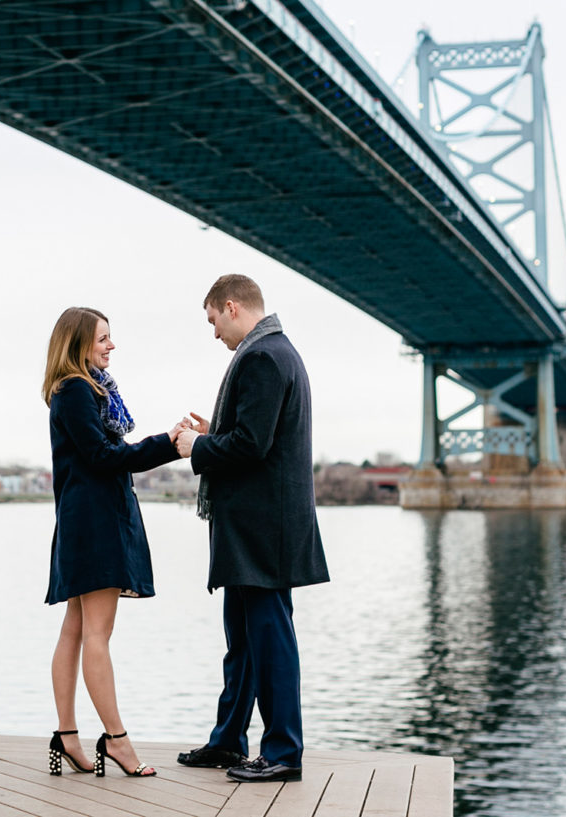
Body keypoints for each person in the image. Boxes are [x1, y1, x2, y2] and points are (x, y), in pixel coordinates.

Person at [173, 275, 329, 783]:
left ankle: (283, 752)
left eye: (213, 319)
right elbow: (251, 437)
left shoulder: (262, 358)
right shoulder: (276, 352)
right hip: (256, 528)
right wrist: (210, 435)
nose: (214, 332)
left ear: (232, 306)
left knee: (269, 639)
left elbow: (250, 446)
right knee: (243, 639)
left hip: (264, 529)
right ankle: (227, 742)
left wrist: (195, 448)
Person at [42, 306, 182, 779]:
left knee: (76, 629)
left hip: (84, 520)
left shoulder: (76, 391)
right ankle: (117, 740)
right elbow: (104, 457)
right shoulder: (78, 390)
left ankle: (66, 735)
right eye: (103, 337)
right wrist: (168, 442)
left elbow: (103, 454)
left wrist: (164, 439)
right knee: (96, 634)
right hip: (96, 524)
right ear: (79, 342)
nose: (111, 345)